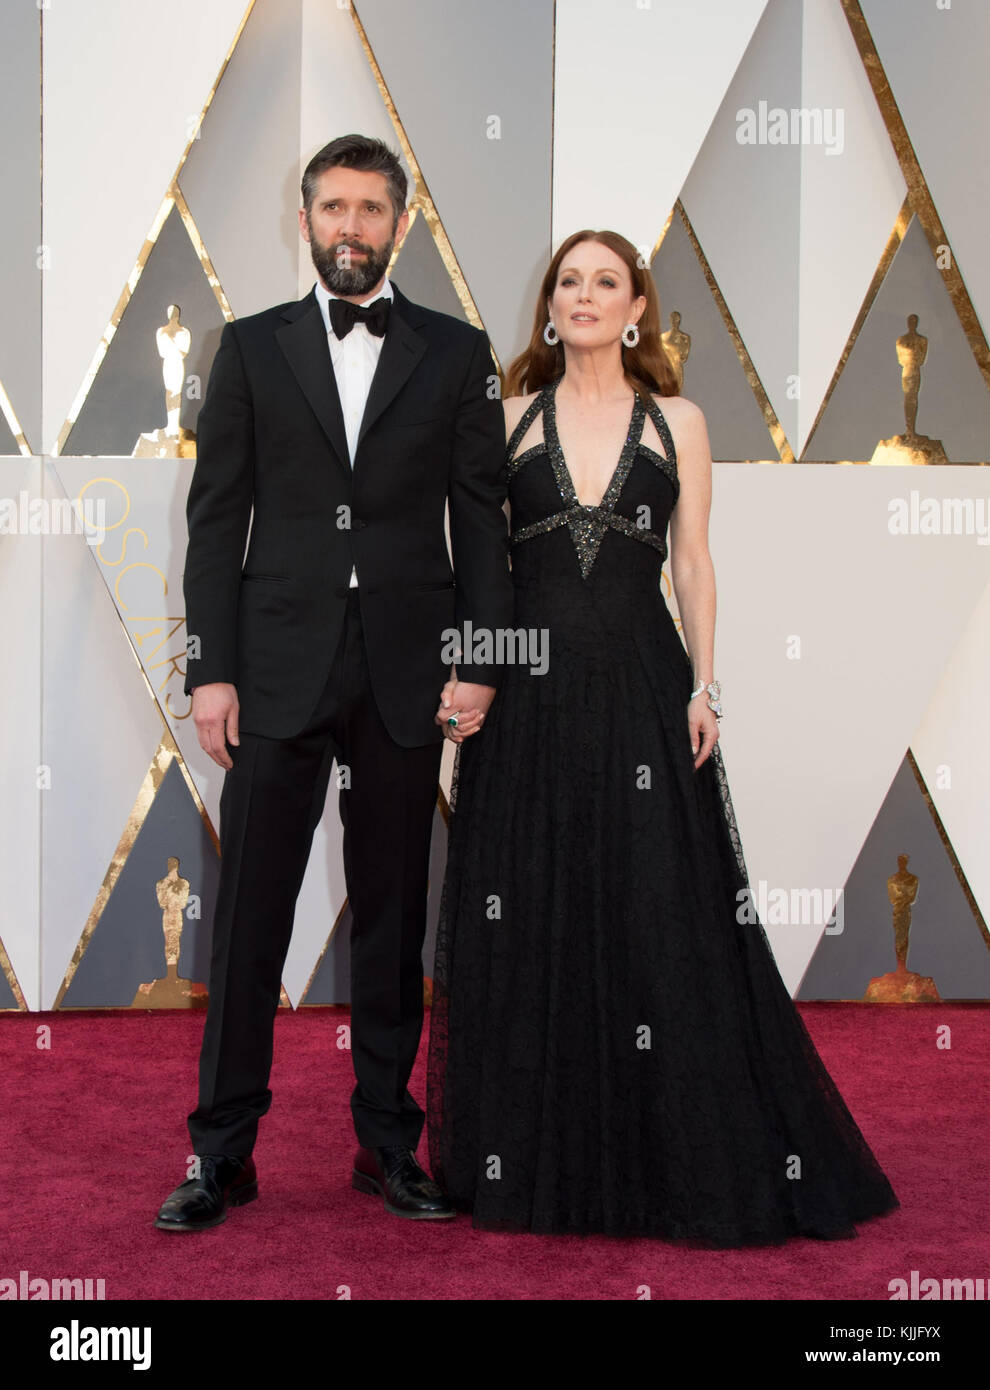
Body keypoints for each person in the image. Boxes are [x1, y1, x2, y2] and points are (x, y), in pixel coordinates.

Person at [426, 229, 900, 1244]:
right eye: (569, 282)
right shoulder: (504, 419)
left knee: (657, 907)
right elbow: (475, 566)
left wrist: (706, 684)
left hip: (645, 682)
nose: (586, 297)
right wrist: (476, 676)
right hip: (531, 690)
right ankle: (533, 1153)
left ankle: (670, 1152)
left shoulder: (676, 419)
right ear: (548, 307)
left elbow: (693, 565)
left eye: (607, 282)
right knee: (535, 906)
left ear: (637, 305)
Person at [154, 134, 513, 1231]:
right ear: (303, 218)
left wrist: (483, 661)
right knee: (250, 915)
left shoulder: (457, 352)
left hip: (411, 669)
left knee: (393, 916)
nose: (351, 226)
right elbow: (215, 522)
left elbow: (483, 525)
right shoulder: (250, 347)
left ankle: (389, 1147)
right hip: (272, 667)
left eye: (371, 208)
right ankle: (221, 1154)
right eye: (332, 207)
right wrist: (212, 673)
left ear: (401, 224)